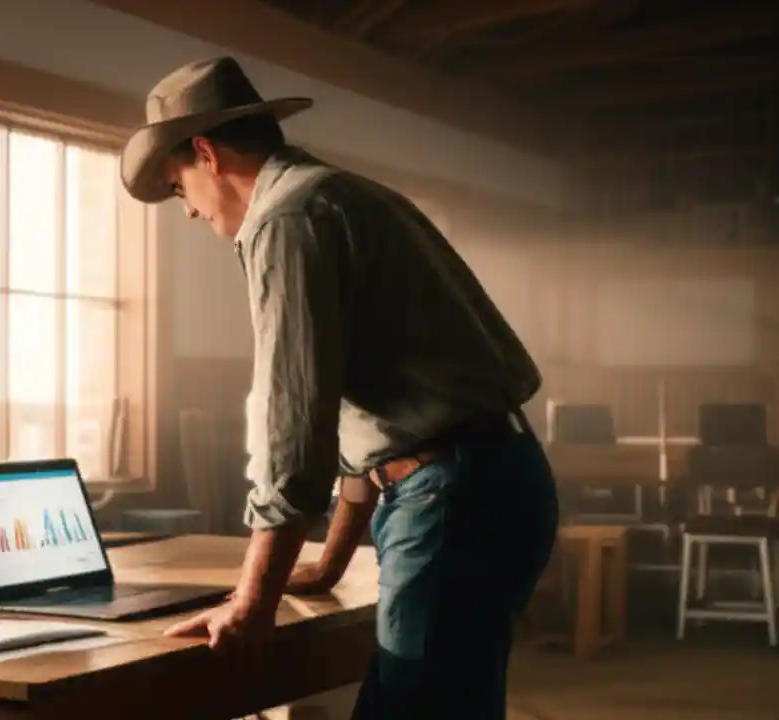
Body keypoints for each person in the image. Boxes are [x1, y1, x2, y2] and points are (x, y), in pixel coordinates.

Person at [120, 56, 559, 719]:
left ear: (205, 153)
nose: (187, 212)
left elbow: (295, 430)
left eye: (178, 188)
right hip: (494, 479)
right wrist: (327, 562)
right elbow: (367, 423)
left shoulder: (287, 221)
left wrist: (253, 603)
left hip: (451, 495)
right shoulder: (343, 193)